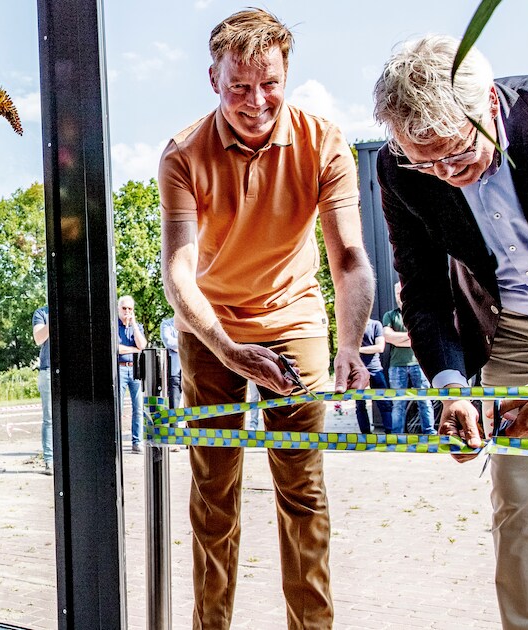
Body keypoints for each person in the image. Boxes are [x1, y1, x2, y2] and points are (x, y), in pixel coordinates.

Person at [158, 9, 374, 628]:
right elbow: (178, 269)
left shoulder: (324, 142)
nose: (257, 102)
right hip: (210, 324)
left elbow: (351, 258)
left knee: (302, 491)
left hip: (294, 316)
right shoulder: (183, 154)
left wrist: (350, 346)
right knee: (213, 496)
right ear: (213, 79)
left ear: (288, 73)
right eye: (239, 87)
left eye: (270, 83)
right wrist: (226, 348)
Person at [373, 34, 528, 629]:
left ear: (490, 104)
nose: (447, 175)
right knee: (520, 499)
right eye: (427, 161)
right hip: (520, 328)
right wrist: (452, 386)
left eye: (458, 153)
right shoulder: (399, 169)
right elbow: (422, 290)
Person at [381, 282, 435, 434]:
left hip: (420, 364)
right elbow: (388, 337)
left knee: (424, 400)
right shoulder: (390, 315)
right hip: (397, 365)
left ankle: (429, 433)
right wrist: (413, 336)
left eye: (402, 292)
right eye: (397, 293)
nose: (400, 296)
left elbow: (424, 337)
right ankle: (396, 435)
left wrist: (400, 339)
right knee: (398, 402)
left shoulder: (418, 313)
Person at [117, 296, 147, 454]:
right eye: (124, 308)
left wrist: (133, 324)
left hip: (135, 368)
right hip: (120, 368)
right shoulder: (114, 326)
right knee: (119, 407)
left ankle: (137, 441)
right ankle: (117, 441)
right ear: (118, 309)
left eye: (130, 309)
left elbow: (142, 344)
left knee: (138, 407)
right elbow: (117, 348)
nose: (127, 311)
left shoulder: (138, 327)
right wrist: (135, 350)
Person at [354, 318, 393, 433]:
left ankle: (389, 433)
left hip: (375, 368)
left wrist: (358, 349)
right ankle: (365, 434)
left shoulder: (375, 324)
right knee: (360, 404)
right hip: (357, 369)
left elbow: (380, 347)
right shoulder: (352, 325)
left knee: (384, 402)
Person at [32, 305, 53, 475]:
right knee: (49, 418)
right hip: (48, 369)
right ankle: (49, 459)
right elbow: (39, 338)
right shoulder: (41, 313)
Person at [160, 316, 182, 408]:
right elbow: (168, 342)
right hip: (175, 371)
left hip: (192, 370)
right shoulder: (166, 324)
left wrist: (178, 347)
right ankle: (174, 423)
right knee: (174, 405)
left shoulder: (191, 325)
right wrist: (186, 346)